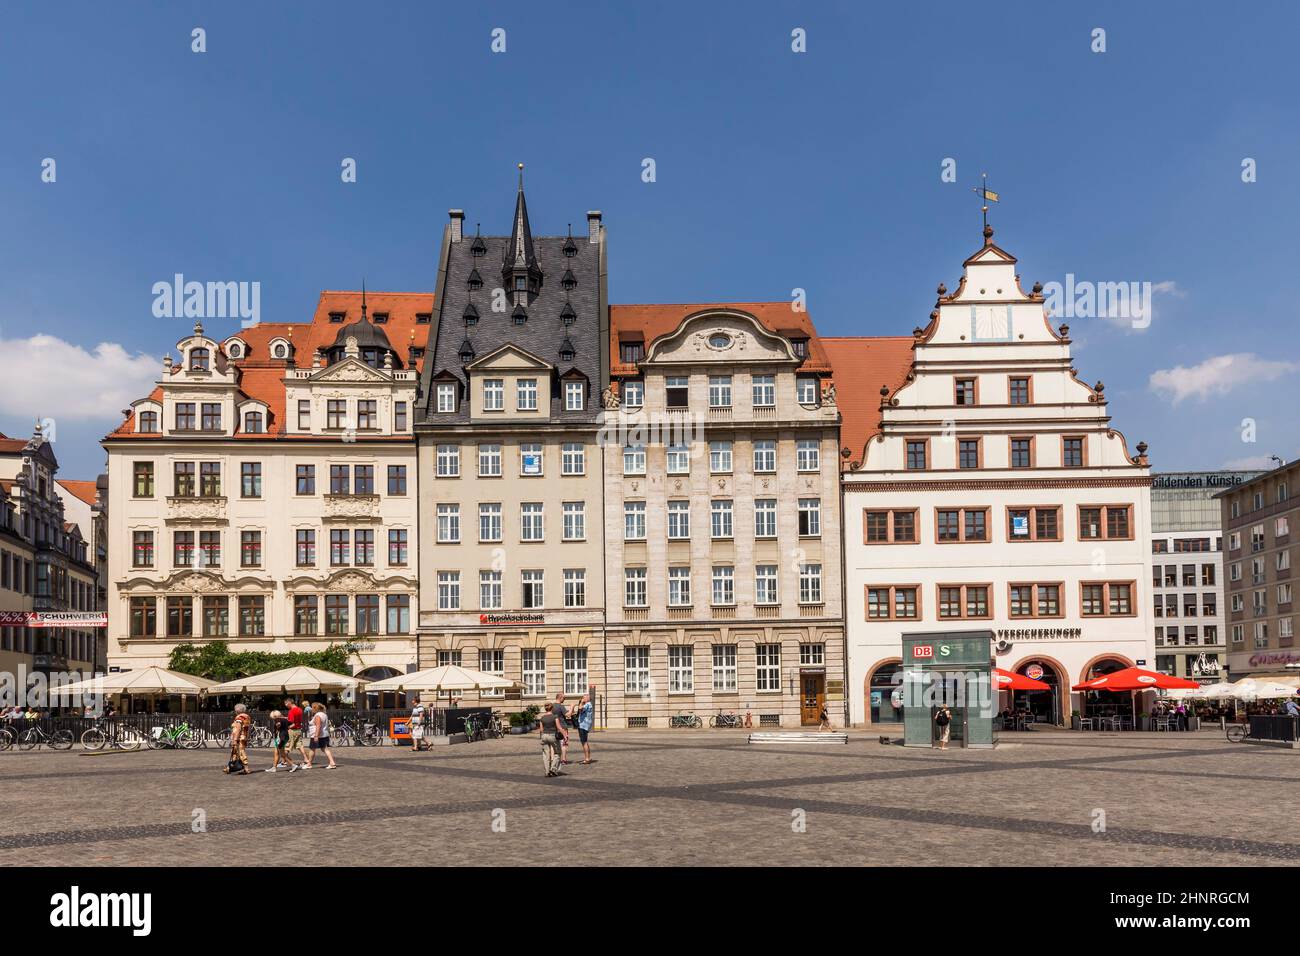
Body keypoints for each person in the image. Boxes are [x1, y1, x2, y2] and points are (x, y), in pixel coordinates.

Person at [305, 702, 337, 770]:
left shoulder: (318, 715)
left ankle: (309, 764)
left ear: (315, 708)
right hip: (324, 734)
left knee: (312, 749)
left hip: (317, 735)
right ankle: (332, 763)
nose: (311, 709)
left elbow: (318, 726)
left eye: (312, 707)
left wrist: (316, 736)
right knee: (324, 749)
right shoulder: (324, 714)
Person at [538, 703, 567, 777]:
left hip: (544, 736)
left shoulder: (542, 718)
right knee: (557, 753)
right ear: (552, 709)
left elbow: (541, 729)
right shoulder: (555, 717)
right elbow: (559, 728)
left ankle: (547, 771)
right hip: (552, 735)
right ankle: (553, 769)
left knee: (546, 755)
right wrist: (565, 736)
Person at [224, 703, 252, 775]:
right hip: (244, 737)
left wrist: (235, 739)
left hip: (239, 737)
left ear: (237, 710)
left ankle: (246, 768)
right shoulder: (247, 717)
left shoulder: (239, 718)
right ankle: (229, 767)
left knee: (239, 752)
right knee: (236, 752)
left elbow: (238, 729)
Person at [285, 698, 308, 766]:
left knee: (287, 746)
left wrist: (287, 727)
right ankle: (306, 759)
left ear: (289, 703)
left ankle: (287, 761)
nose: (285, 705)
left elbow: (291, 722)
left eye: (286, 703)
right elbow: (297, 720)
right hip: (298, 730)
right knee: (300, 745)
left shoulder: (291, 711)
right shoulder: (300, 709)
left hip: (292, 730)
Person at [574, 694, 594, 765]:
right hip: (585, 725)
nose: (582, 699)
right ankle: (588, 757)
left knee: (584, 742)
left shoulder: (587, 704)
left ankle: (587, 759)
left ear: (587, 698)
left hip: (583, 725)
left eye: (583, 698)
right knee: (585, 742)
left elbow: (580, 709)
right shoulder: (589, 704)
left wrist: (581, 702)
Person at [552, 693, 570, 765]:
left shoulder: (552, 706)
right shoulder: (561, 706)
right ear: (560, 698)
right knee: (564, 743)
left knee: (554, 744)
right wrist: (572, 708)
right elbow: (567, 715)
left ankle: (552, 759)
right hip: (563, 726)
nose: (564, 699)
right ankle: (564, 760)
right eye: (564, 698)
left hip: (554, 727)